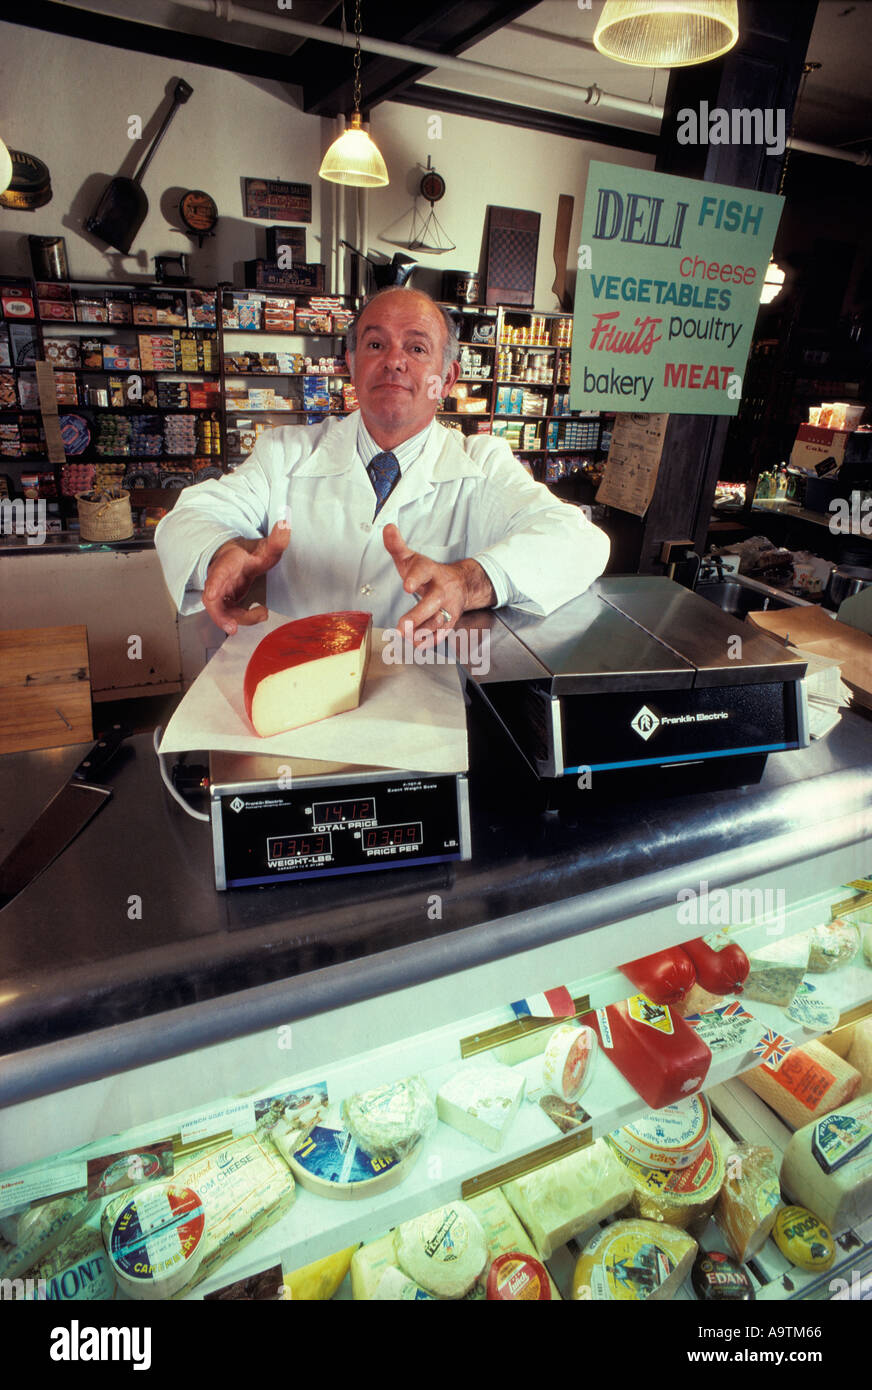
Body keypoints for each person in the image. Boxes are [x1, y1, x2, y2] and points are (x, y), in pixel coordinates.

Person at [155, 287, 609, 641]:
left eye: (416, 349)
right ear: (351, 364)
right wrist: (222, 551)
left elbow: (579, 540)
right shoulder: (285, 452)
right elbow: (190, 515)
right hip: (301, 702)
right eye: (375, 344)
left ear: (446, 378)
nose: (393, 362)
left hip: (427, 708)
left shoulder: (482, 463)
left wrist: (467, 581)